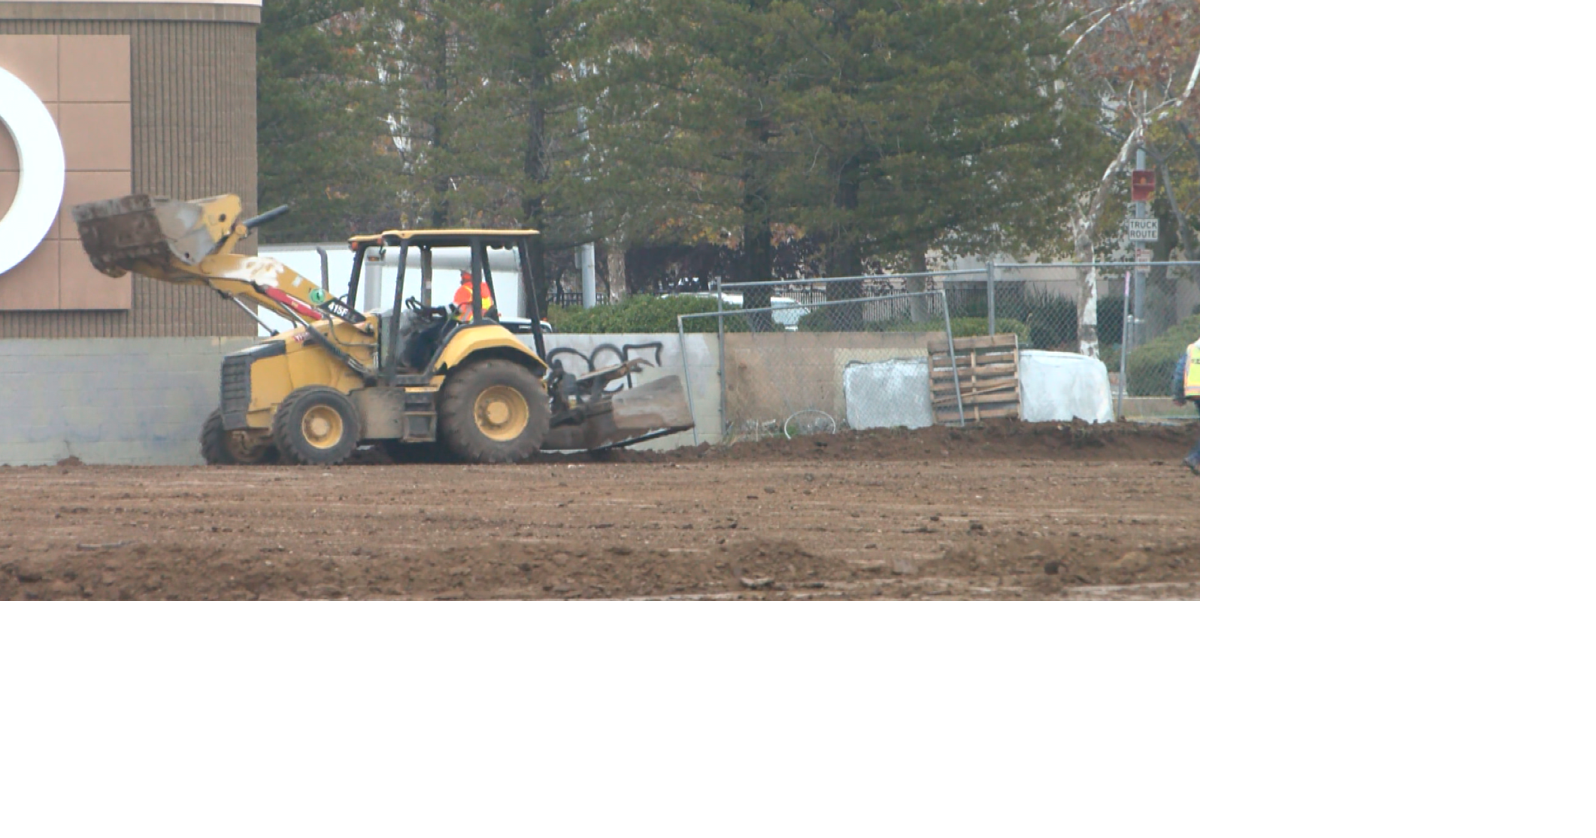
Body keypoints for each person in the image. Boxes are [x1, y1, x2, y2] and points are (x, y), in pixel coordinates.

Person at [1172, 337, 1200, 475]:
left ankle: (1194, 458)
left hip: (1194, 392)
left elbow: (1180, 372)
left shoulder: (1192, 348)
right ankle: (1193, 457)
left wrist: (1178, 395)